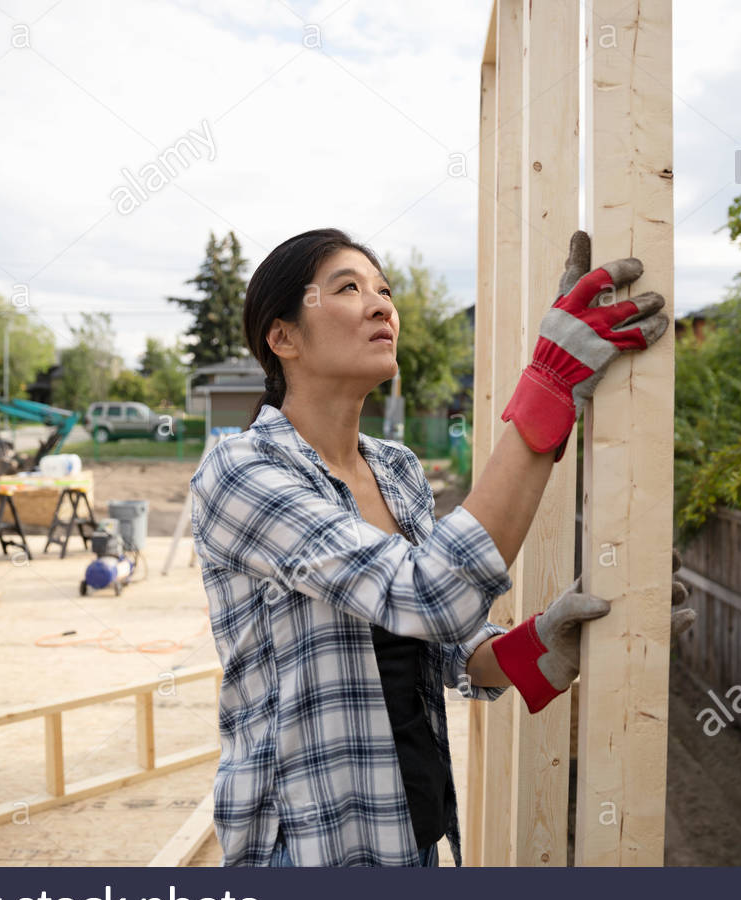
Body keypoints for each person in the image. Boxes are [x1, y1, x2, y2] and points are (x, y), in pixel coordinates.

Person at [189, 227, 690, 867]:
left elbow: (448, 646)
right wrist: (550, 386)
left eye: (385, 291)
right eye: (348, 289)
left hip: (413, 834)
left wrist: (542, 648)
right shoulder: (243, 470)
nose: (381, 306)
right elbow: (427, 595)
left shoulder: (396, 470)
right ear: (282, 337)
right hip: (308, 850)